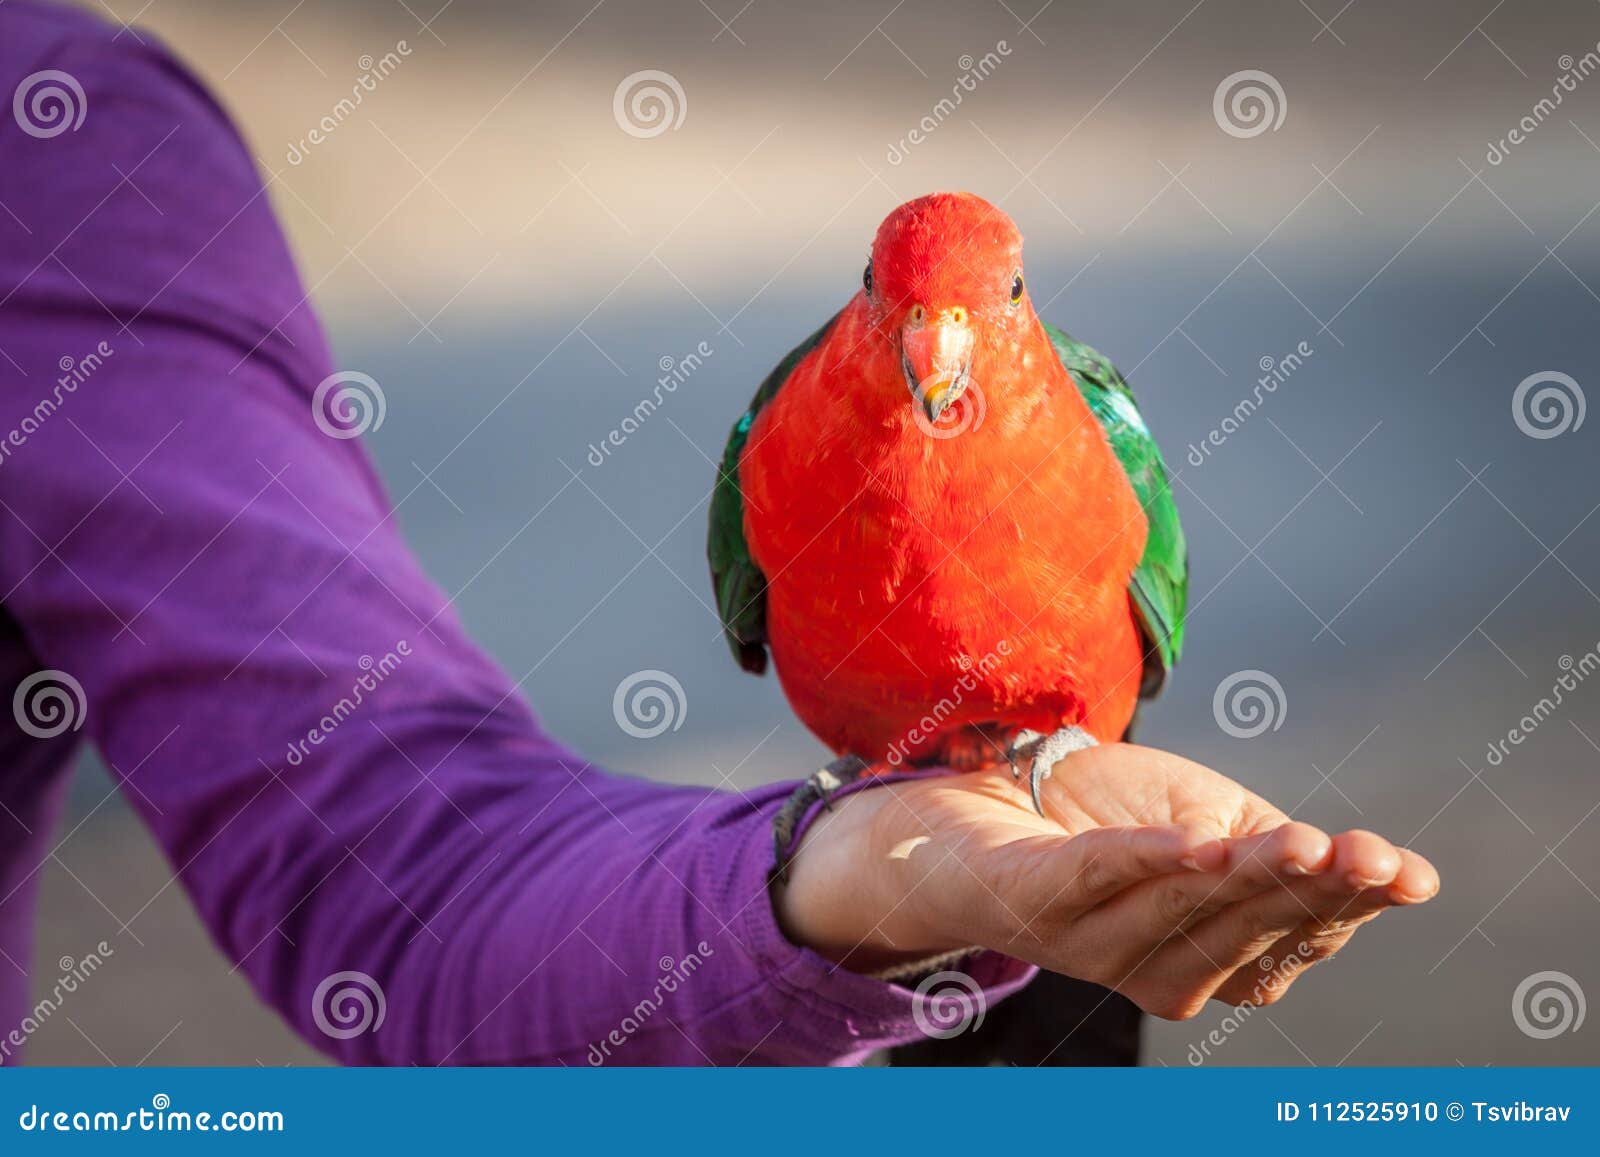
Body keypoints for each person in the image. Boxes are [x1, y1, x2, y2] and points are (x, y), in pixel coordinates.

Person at [0, 1, 1437, 1067]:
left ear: (1018, 305)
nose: (937, 343)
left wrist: (832, 893)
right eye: (900, 303)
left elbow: (397, 850)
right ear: (869, 296)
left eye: (984, 309)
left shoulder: (57, 148)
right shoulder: (782, 433)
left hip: (1016, 804)